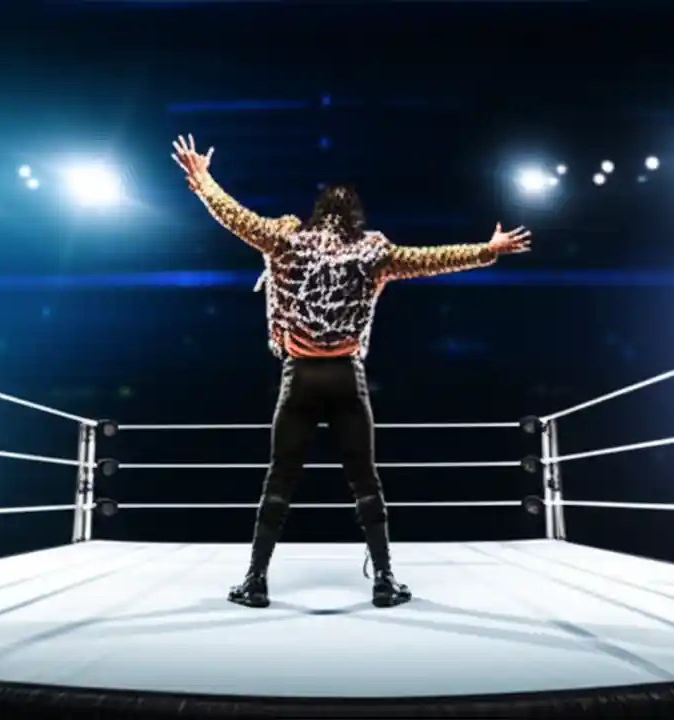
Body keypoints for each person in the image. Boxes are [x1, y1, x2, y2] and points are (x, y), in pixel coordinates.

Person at [172, 134, 531, 609]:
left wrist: (201, 179)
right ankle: (384, 581)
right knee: (365, 480)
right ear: (356, 216)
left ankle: (255, 582)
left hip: (298, 376)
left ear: (317, 211)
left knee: (280, 479)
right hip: (346, 376)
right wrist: (488, 249)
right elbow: (431, 259)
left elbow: (232, 214)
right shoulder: (373, 252)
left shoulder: (284, 240)